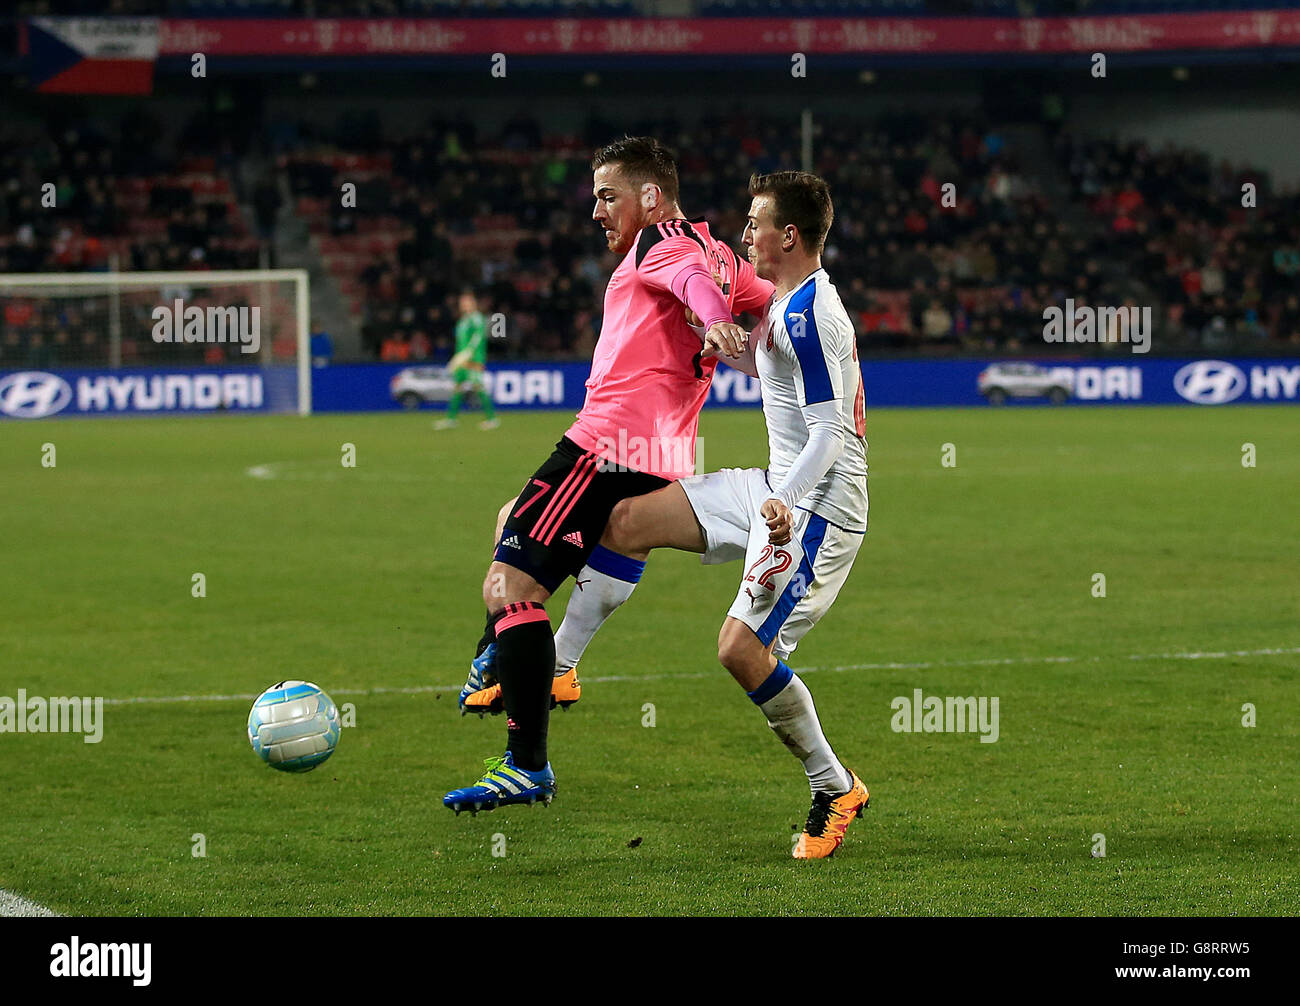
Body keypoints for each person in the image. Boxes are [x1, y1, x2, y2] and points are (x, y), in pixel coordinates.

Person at [442, 137, 770, 814]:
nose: (596, 209)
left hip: (606, 448)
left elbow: (692, 285)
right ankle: (508, 662)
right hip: (657, 453)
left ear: (649, 196)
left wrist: (712, 321)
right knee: (514, 520)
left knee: (509, 586)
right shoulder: (724, 255)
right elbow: (765, 300)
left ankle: (525, 760)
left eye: (607, 194)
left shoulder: (665, 240)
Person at [436, 290, 498, 430]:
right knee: (458, 387)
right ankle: (451, 419)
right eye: (462, 303)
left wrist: (469, 352)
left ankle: (492, 419)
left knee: (478, 386)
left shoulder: (476, 318)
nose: (464, 305)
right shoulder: (463, 320)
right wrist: (458, 356)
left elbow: (478, 338)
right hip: (461, 358)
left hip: (473, 358)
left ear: (473, 303)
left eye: (467, 302)